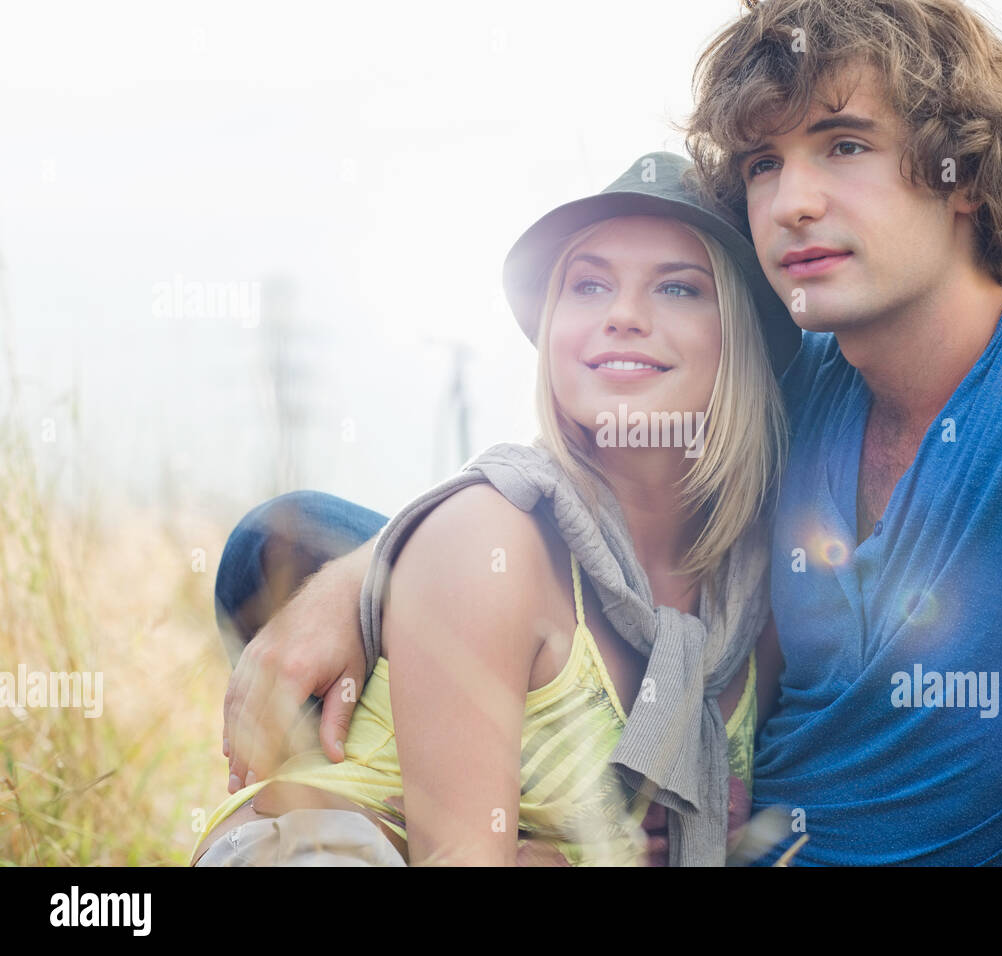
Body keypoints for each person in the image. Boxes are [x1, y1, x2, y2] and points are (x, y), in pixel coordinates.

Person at [220, 0, 1002, 867]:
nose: (788, 201)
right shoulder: (790, 385)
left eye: (842, 144)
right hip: (692, 801)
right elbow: (565, 498)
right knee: (279, 534)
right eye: (764, 164)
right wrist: (357, 583)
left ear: (960, 170)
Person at [193, 151, 797, 866]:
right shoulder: (489, 538)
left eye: (677, 288)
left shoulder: (754, 596)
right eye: (589, 284)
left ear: (742, 339)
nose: (624, 316)